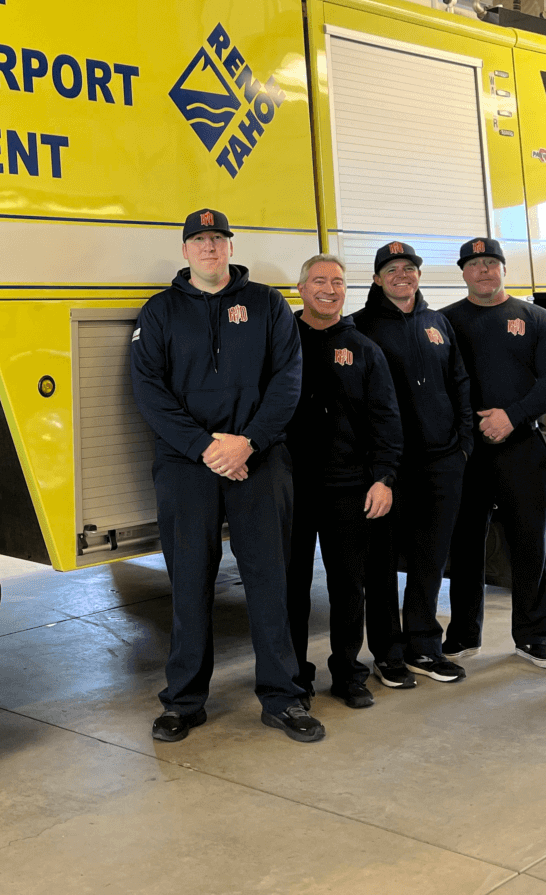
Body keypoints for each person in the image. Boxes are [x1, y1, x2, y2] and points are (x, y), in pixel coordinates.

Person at [130, 208, 323, 743]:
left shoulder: (268, 305)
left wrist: (248, 442)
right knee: (189, 581)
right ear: (186, 250)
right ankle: (184, 702)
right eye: (200, 240)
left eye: (218, 239)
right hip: (186, 464)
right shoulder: (160, 311)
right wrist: (204, 446)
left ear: (230, 248)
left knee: (270, 580)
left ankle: (284, 697)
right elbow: (149, 390)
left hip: (259, 458)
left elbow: (288, 380)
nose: (209, 248)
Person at [440, 237, 546, 669]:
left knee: (529, 542)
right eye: (475, 264)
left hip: (521, 446)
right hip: (466, 453)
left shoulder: (538, 319)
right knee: (465, 545)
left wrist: (511, 417)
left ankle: (533, 636)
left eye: (491, 263)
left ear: (504, 270)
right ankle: (462, 636)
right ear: (463, 272)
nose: (483, 270)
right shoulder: (444, 322)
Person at [286, 254, 403, 710]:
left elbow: (385, 420)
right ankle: (293, 676)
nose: (330, 289)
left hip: (349, 489)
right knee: (291, 587)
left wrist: (384, 478)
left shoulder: (364, 348)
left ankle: (349, 673)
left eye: (338, 282)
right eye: (319, 280)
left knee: (348, 586)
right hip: (291, 488)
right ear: (300, 288)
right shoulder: (280, 343)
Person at [354, 241, 473, 686]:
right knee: (381, 564)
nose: (402, 275)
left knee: (430, 558)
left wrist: (463, 446)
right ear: (377, 278)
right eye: (391, 269)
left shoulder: (438, 323)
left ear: (418, 275)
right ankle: (388, 654)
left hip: (443, 463)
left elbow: (460, 383)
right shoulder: (361, 328)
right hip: (388, 470)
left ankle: (425, 646)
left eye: (409, 268)